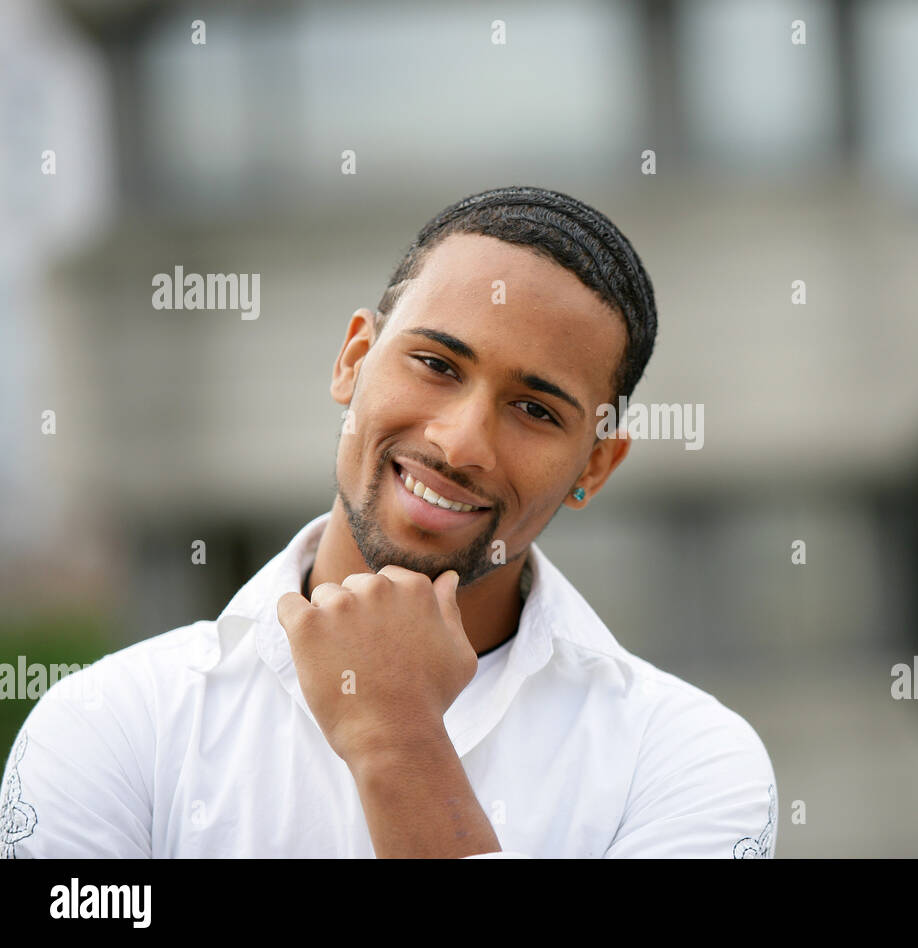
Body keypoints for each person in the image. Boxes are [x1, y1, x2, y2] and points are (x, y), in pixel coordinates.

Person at [1, 186, 777, 858]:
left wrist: (398, 740)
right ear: (353, 361)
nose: (458, 442)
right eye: (436, 365)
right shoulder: (114, 724)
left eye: (535, 410)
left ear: (597, 466)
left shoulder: (685, 762)